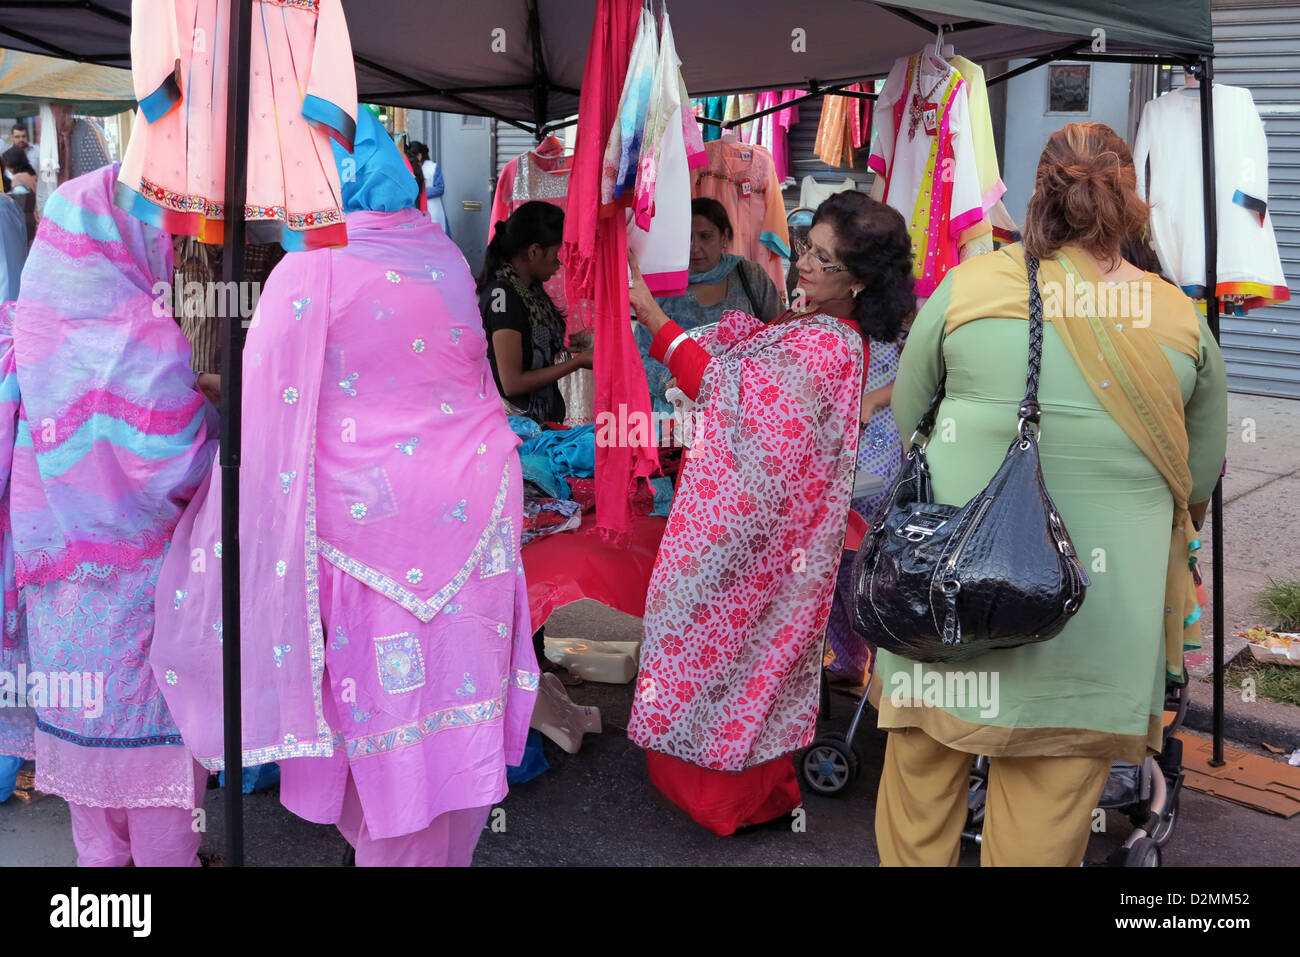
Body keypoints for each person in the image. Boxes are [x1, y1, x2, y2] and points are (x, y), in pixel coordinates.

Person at [152, 107, 539, 867]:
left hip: (368, 539)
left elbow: (264, 407)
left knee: (384, 735)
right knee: (442, 736)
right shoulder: (446, 256)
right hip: (475, 525)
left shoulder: (313, 267)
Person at [873, 122, 1228, 866]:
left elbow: (911, 419)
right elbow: (1193, 485)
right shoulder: (1180, 319)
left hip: (948, 599)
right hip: (1095, 620)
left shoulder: (969, 286)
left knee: (918, 796)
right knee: (1043, 829)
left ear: (1039, 195)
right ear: (1133, 203)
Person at [625, 192, 911, 836]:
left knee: (730, 656)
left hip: (755, 537)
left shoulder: (832, 342)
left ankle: (737, 801)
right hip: (761, 529)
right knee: (737, 658)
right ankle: (746, 794)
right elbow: (747, 374)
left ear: (861, 281)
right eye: (808, 246)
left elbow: (735, 398)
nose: (804, 263)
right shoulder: (818, 324)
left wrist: (654, 318)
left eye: (824, 260)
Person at [2, 165, 218, 866]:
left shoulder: (30, 339)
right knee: (161, 815)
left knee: (96, 829)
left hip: (61, 628)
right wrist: (212, 410)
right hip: (141, 624)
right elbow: (175, 464)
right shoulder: (140, 341)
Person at [634, 197, 782, 419]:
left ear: (724, 237)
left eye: (705, 237)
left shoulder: (750, 276)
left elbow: (780, 337)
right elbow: (640, 354)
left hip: (743, 411)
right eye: (687, 237)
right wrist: (668, 382)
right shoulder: (664, 285)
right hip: (677, 414)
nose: (695, 247)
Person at [478, 201, 592, 424]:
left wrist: (570, 344)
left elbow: (529, 343)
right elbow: (512, 383)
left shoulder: (529, 289)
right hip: (517, 426)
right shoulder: (503, 297)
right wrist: (576, 363)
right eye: (557, 254)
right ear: (534, 251)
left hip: (542, 419)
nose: (560, 263)